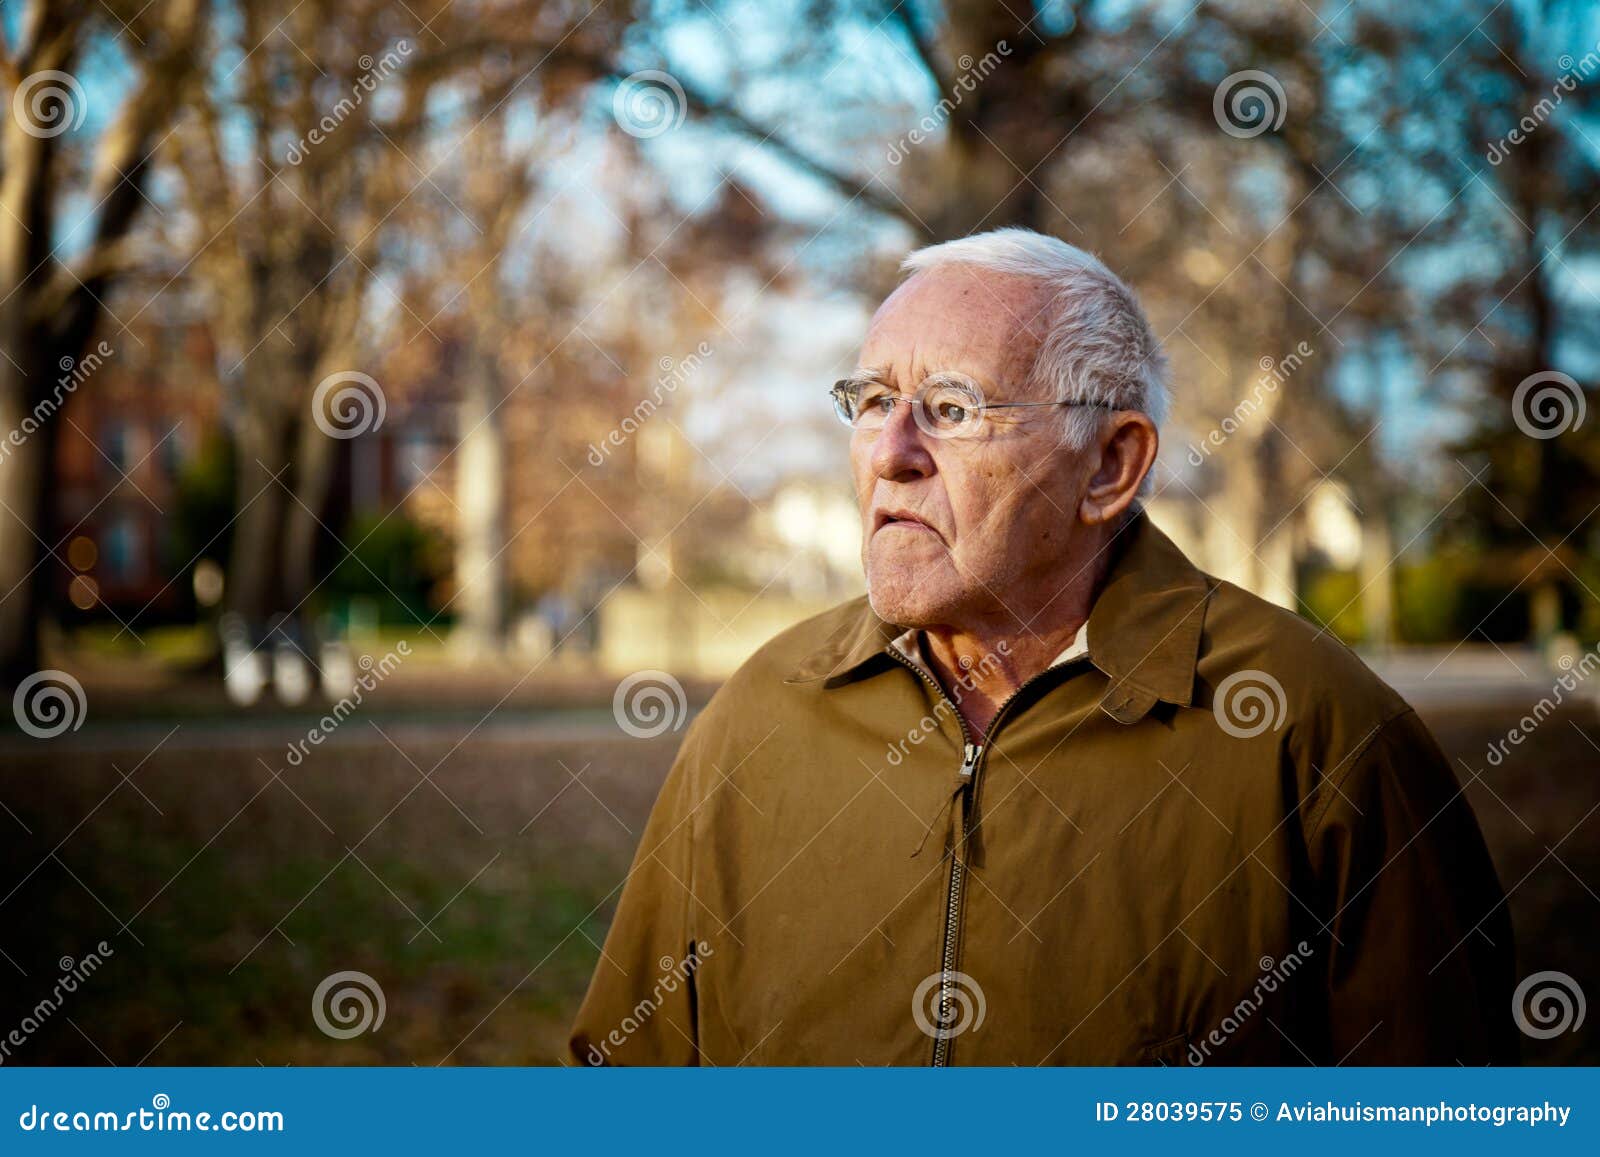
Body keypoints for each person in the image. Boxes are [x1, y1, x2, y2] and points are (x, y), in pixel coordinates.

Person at [567, 228, 1516, 1066]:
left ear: (1109, 465)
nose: (891, 450)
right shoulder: (763, 710)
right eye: (869, 401)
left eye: (949, 408)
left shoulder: (1317, 734)